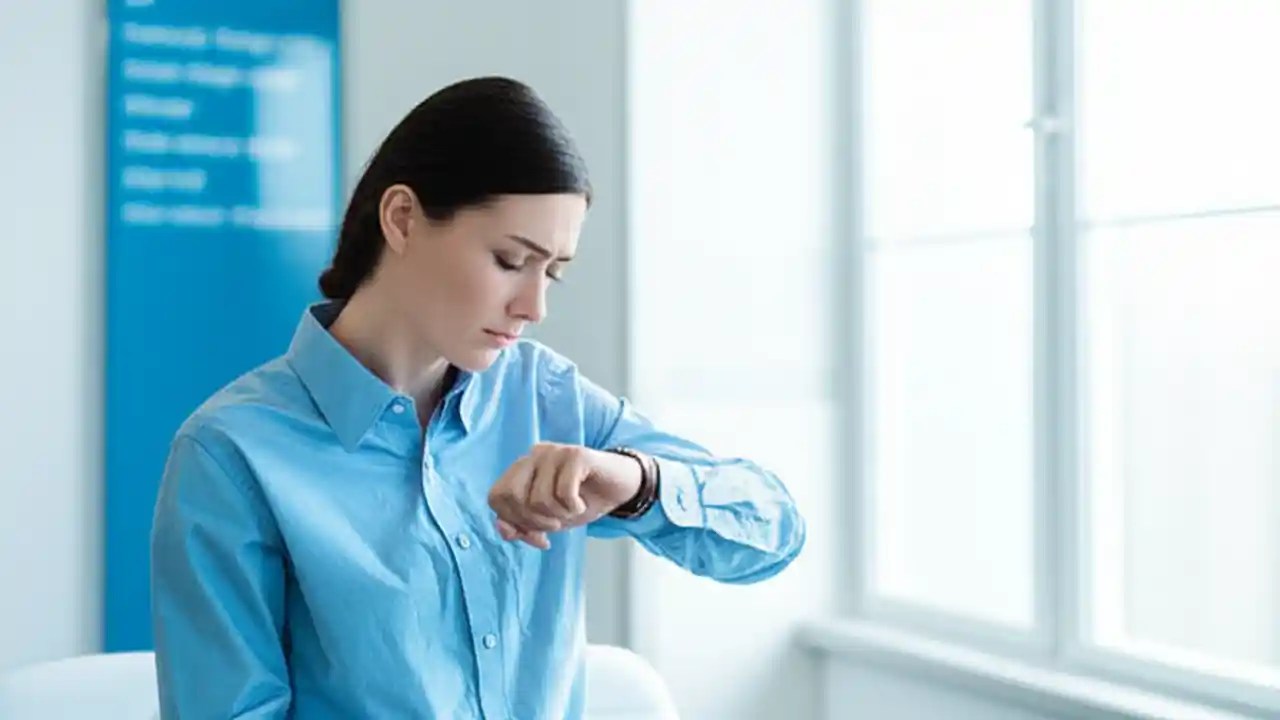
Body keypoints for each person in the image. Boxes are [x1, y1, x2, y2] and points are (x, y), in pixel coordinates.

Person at [150, 75, 805, 720]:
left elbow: (773, 533)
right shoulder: (232, 455)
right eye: (510, 260)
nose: (534, 306)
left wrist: (636, 483)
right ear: (402, 219)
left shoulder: (549, 399)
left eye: (553, 272)